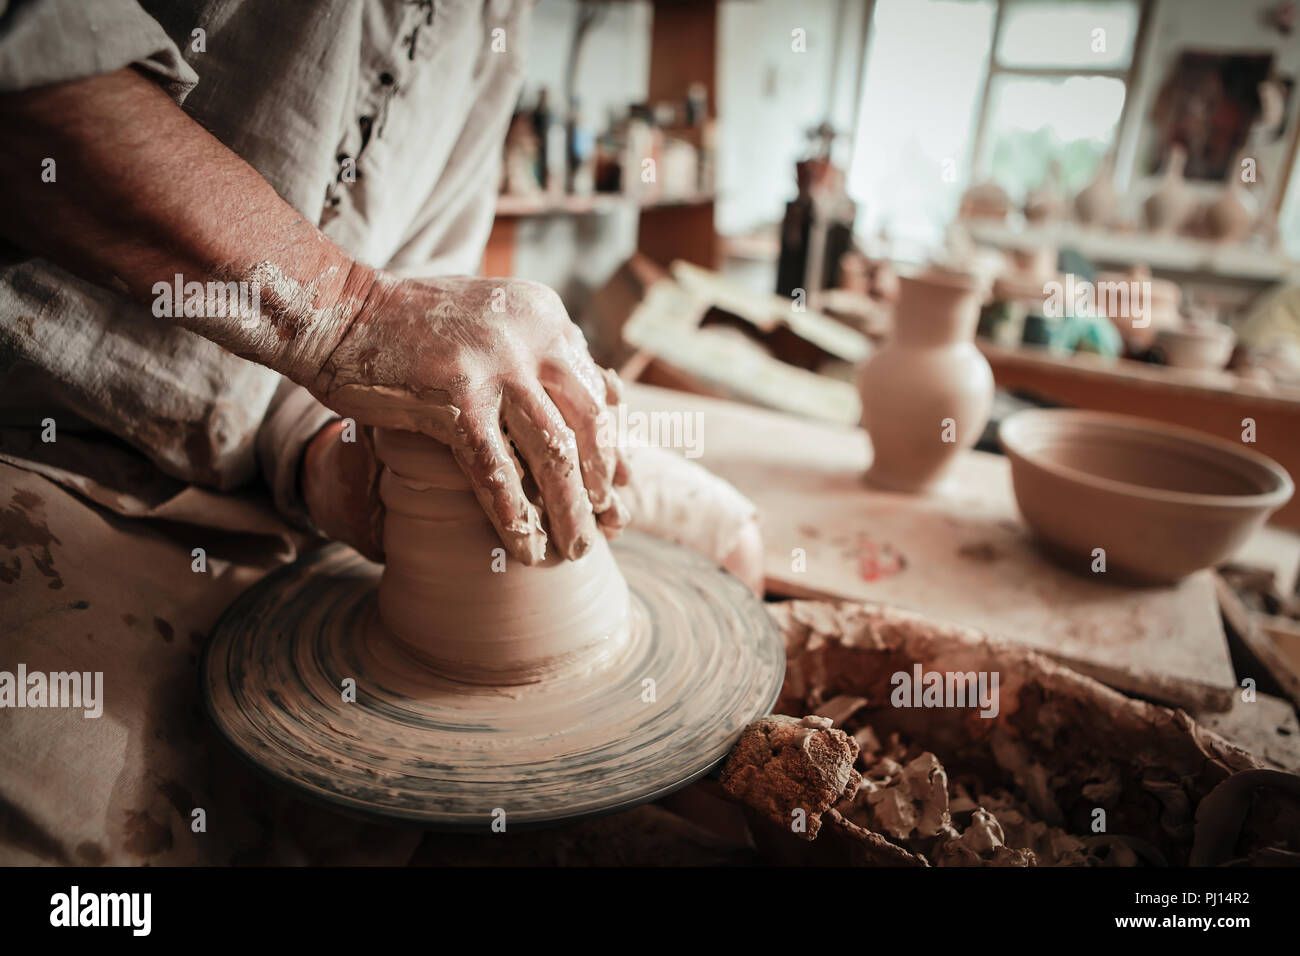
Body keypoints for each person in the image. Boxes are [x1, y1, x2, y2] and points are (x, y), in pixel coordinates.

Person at [0, 0, 760, 864]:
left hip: (279, 460)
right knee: (83, 849)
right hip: (57, 448)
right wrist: (349, 314)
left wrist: (332, 460)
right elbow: (29, 73)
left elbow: (404, 326)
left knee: (727, 540)